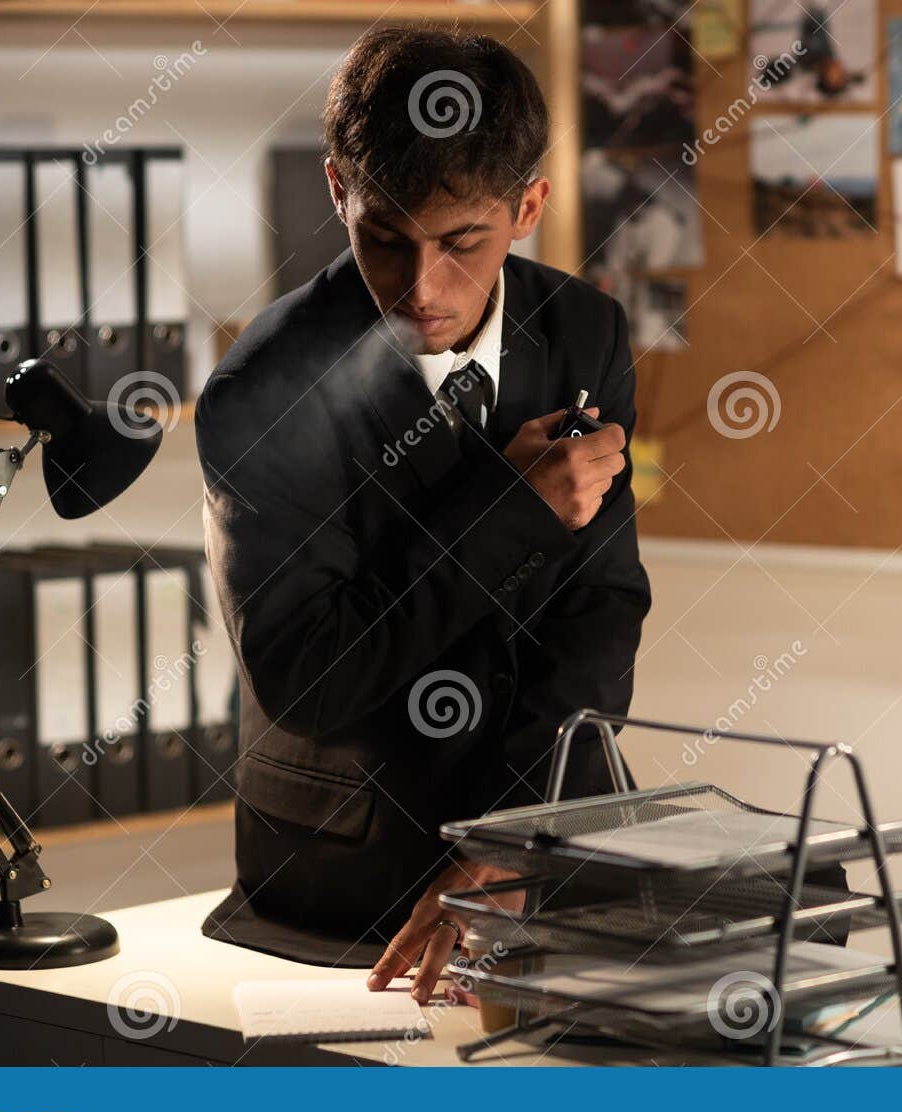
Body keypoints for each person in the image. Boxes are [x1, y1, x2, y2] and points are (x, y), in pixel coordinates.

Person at [194, 29, 651, 1003]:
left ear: (528, 206)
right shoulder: (262, 387)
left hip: (543, 849)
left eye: (461, 244)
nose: (420, 289)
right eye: (386, 239)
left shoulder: (584, 328)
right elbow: (312, 677)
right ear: (336, 192)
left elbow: (599, 605)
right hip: (345, 886)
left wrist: (513, 840)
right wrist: (511, 510)